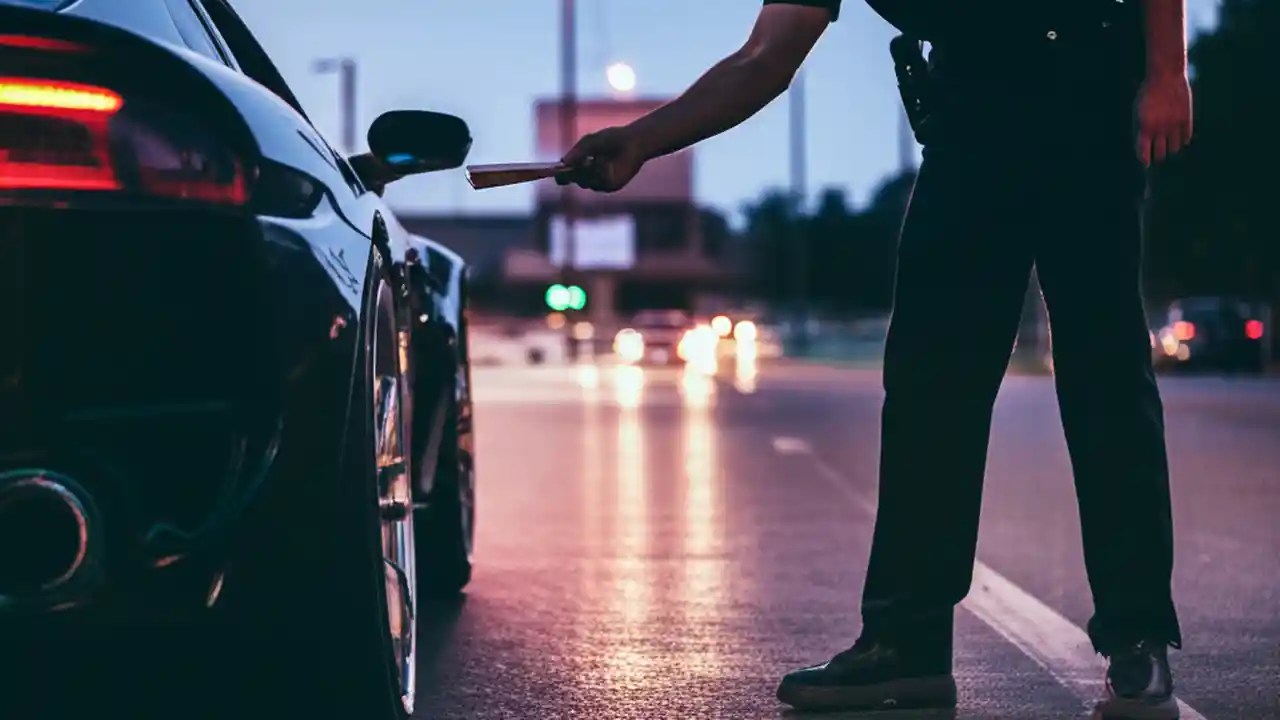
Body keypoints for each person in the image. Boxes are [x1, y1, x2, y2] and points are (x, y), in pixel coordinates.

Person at [556, 1, 1192, 717]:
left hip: (1086, 95)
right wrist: (643, 140)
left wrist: (1168, 70)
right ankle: (907, 643)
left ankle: (1138, 640)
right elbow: (765, 56)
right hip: (971, 121)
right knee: (929, 385)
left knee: (1104, 373)